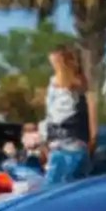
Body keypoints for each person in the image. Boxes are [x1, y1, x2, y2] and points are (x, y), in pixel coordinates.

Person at [41, 44, 97, 185]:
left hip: (70, 145)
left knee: (57, 189)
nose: (54, 70)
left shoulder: (76, 87)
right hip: (60, 144)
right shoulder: (55, 86)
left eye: (56, 64)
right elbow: (50, 115)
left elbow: (92, 127)